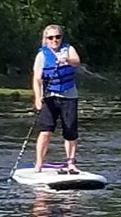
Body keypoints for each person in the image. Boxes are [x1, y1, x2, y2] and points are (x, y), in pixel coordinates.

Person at [31, 24, 84, 172]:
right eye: (51, 37)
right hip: (50, 97)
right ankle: (39, 163)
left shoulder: (68, 49)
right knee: (46, 131)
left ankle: (71, 162)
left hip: (69, 95)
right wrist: (38, 98)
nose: (55, 40)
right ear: (46, 39)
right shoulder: (42, 55)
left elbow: (77, 62)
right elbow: (37, 79)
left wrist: (66, 60)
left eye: (57, 37)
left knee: (70, 131)